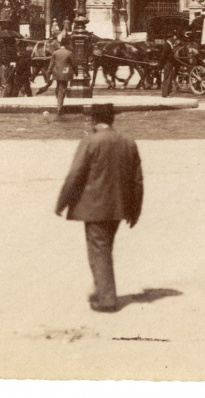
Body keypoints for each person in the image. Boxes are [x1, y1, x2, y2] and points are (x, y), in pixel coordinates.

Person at [55, 102, 144, 312]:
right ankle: (102, 290)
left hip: (95, 207)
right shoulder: (128, 142)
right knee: (105, 248)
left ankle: (107, 299)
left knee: (99, 250)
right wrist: (135, 210)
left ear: (94, 120)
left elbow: (75, 175)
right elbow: (137, 181)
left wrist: (62, 202)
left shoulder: (90, 142)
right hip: (120, 207)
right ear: (111, 119)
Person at [50, 40, 75, 115]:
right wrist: (76, 71)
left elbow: (51, 64)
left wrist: (48, 73)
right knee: (62, 89)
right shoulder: (69, 53)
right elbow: (74, 64)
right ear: (67, 45)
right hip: (65, 73)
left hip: (57, 73)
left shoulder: (55, 52)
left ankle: (58, 102)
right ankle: (59, 107)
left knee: (58, 87)